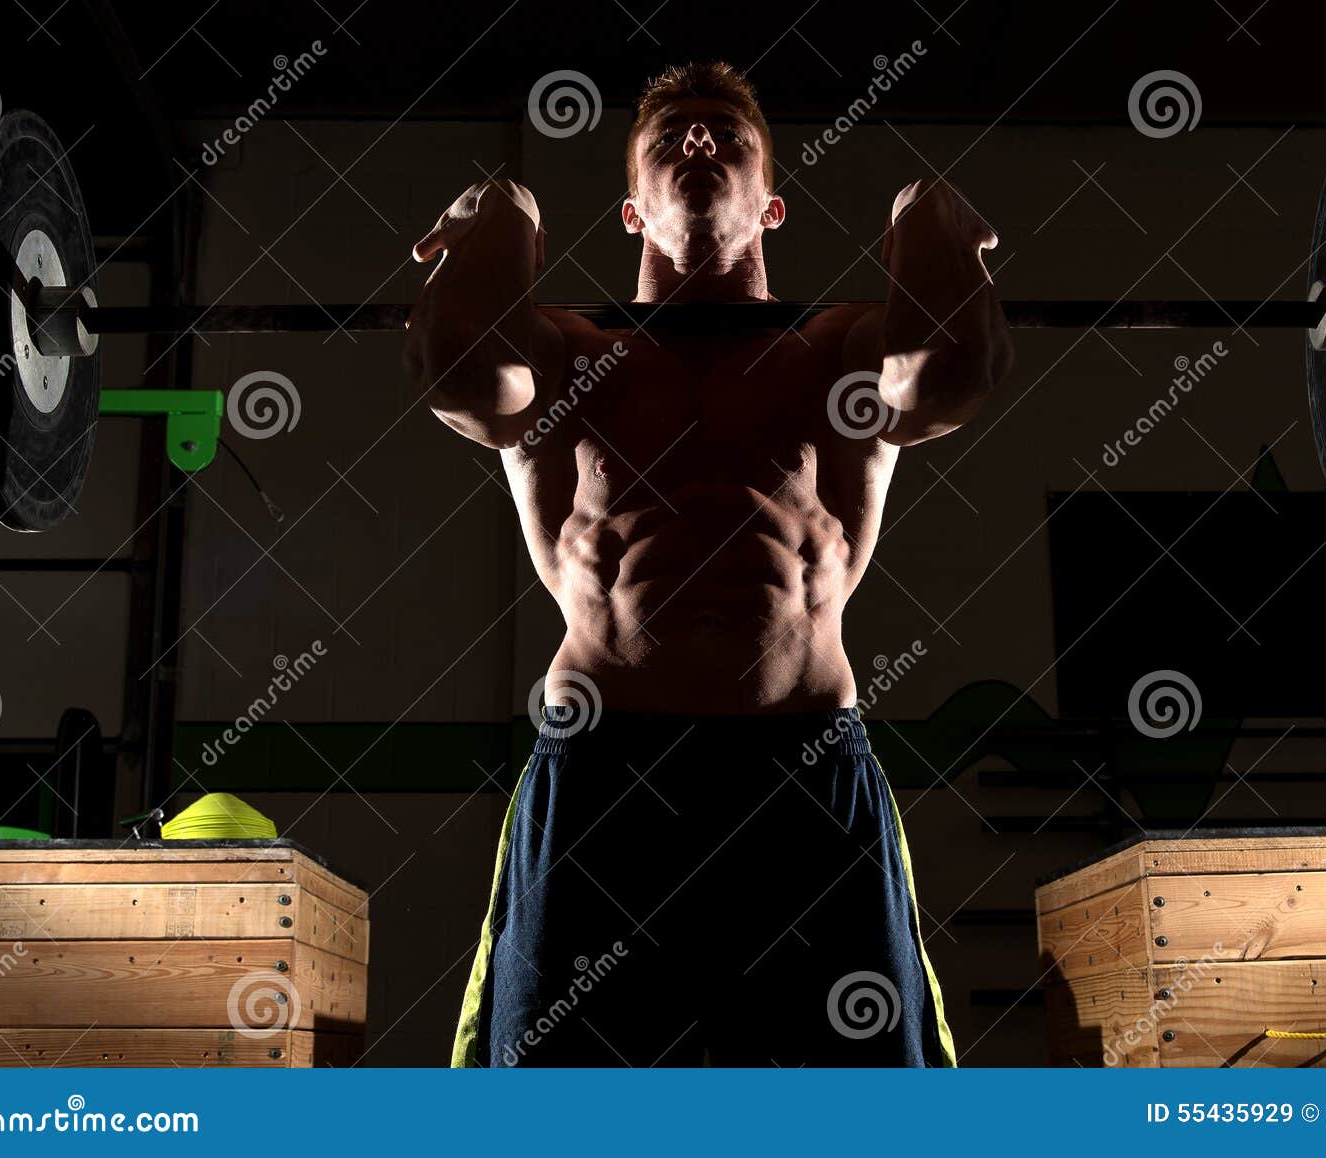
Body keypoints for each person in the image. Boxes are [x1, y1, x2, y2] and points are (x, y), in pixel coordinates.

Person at [405, 61, 1011, 1066]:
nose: (698, 142)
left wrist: (925, 213)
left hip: (802, 768)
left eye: (727, 133)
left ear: (771, 207)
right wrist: (504, 212)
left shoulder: (835, 352)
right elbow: (458, 369)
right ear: (632, 212)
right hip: (607, 778)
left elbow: (953, 369)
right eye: (670, 136)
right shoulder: (565, 355)